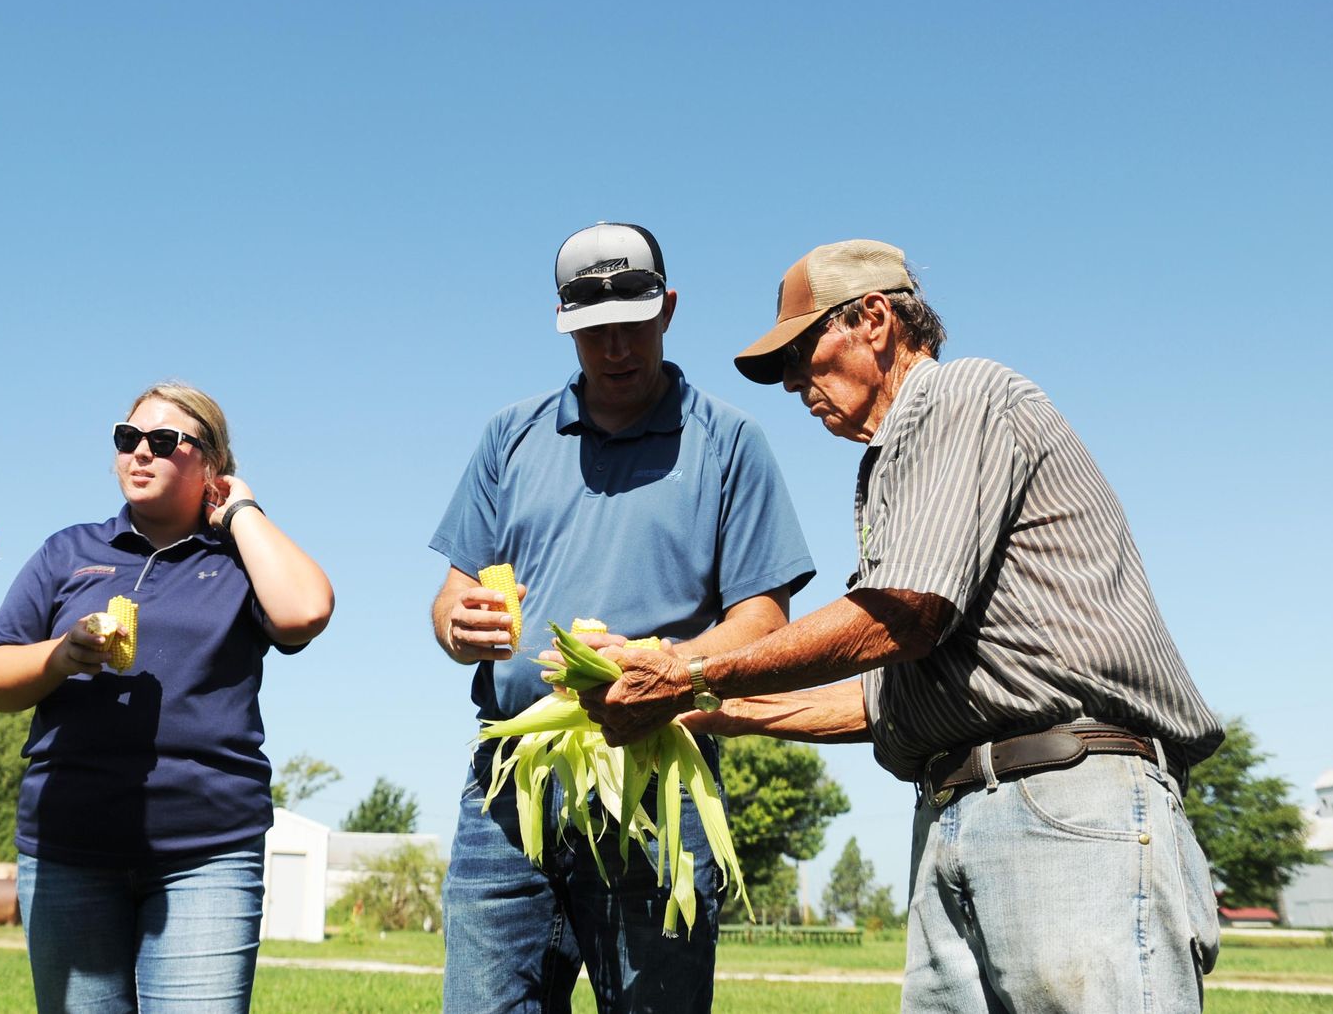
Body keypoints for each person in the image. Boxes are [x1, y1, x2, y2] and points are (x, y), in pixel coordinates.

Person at [584, 239, 1226, 1013]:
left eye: (801, 350)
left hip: (1064, 805)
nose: (791, 382)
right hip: (956, 808)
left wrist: (687, 670)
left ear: (876, 319)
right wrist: (693, 708)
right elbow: (881, 697)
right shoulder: (898, 468)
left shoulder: (961, 396)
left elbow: (907, 612)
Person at [428, 222, 816, 1014]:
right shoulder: (511, 435)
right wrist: (453, 622)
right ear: (562, 323)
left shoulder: (730, 442)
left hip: (657, 782)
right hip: (510, 783)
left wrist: (667, 671)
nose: (614, 347)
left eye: (631, 323)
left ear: (668, 308)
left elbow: (765, 617)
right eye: (592, 330)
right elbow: (451, 593)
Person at [0, 381, 333, 1014]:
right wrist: (60, 656)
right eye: (126, 438)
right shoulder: (69, 551)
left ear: (211, 465)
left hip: (207, 852)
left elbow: (305, 611)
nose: (140, 452)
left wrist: (243, 511)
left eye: (164, 441)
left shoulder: (241, 558)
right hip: (69, 846)